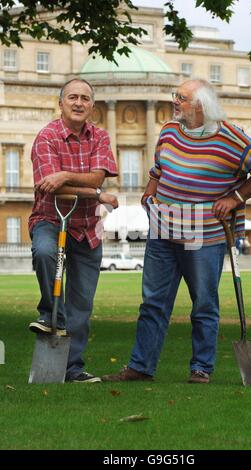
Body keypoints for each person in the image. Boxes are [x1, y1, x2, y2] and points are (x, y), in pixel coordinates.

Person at [102, 78, 251, 384]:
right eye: (176, 96)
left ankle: (201, 367)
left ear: (201, 105)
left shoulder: (230, 136)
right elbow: (158, 169)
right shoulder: (169, 130)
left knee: (203, 303)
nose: (175, 102)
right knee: (153, 302)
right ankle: (141, 366)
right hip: (163, 230)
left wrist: (235, 198)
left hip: (204, 234)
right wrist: (149, 192)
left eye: (181, 98)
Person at [28, 78, 118, 383]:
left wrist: (67, 176)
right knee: (43, 252)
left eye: (85, 98)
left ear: (92, 105)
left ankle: (72, 368)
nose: (79, 103)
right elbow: (50, 190)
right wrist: (98, 194)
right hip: (50, 220)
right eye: (72, 98)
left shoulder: (101, 137)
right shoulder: (47, 137)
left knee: (82, 304)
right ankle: (50, 312)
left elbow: (95, 178)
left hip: (88, 229)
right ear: (61, 103)